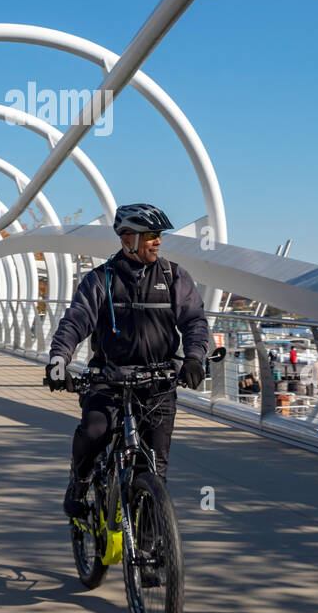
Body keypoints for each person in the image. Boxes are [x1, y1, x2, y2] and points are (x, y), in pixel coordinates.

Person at [44, 203, 209, 519]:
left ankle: (151, 552)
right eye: (150, 235)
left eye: (159, 235)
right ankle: (79, 481)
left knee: (155, 468)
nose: (157, 241)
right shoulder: (100, 280)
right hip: (110, 378)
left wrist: (193, 357)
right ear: (127, 239)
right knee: (94, 432)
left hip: (159, 382)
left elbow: (194, 322)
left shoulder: (173, 275)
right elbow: (76, 321)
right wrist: (58, 360)